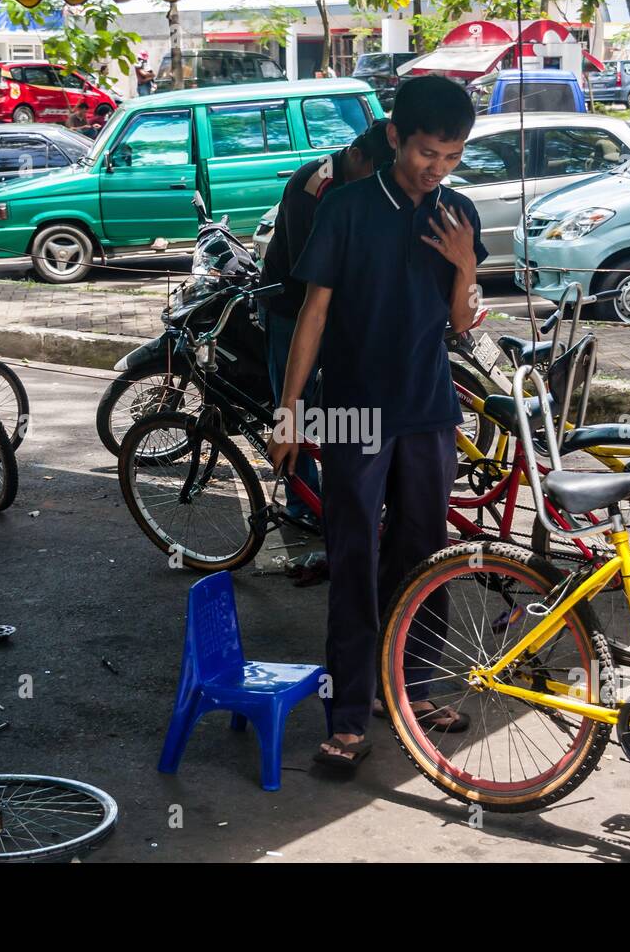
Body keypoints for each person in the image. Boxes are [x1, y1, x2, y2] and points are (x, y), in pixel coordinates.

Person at [268, 76, 486, 771]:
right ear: (395, 137)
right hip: (355, 410)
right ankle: (349, 711)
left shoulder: (458, 213)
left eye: (451, 156)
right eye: (428, 152)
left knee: (425, 557)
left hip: (427, 407)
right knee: (355, 557)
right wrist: (289, 410)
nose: (437, 169)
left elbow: (459, 324)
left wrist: (465, 263)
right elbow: (314, 315)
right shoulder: (349, 208)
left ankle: (413, 691)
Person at [257, 119, 395, 531]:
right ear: (355, 155)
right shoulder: (312, 188)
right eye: (375, 173)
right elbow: (309, 274)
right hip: (291, 308)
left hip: (341, 311)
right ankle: (303, 507)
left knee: (343, 416)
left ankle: (348, 497)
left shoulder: (370, 186)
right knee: (291, 407)